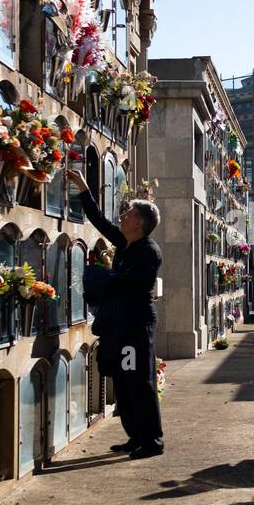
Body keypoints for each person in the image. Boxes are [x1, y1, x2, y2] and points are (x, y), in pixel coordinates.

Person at [66, 167, 165, 459]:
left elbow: (129, 285)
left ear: (139, 222)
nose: (122, 217)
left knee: (139, 380)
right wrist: (83, 187)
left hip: (135, 325)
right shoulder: (126, 243)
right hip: (120, 324)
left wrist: (99, 278)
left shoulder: (148, 251)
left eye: (128, 213)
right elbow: (98, 221)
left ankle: (152, 440)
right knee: (123, 380)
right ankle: (134, 435)